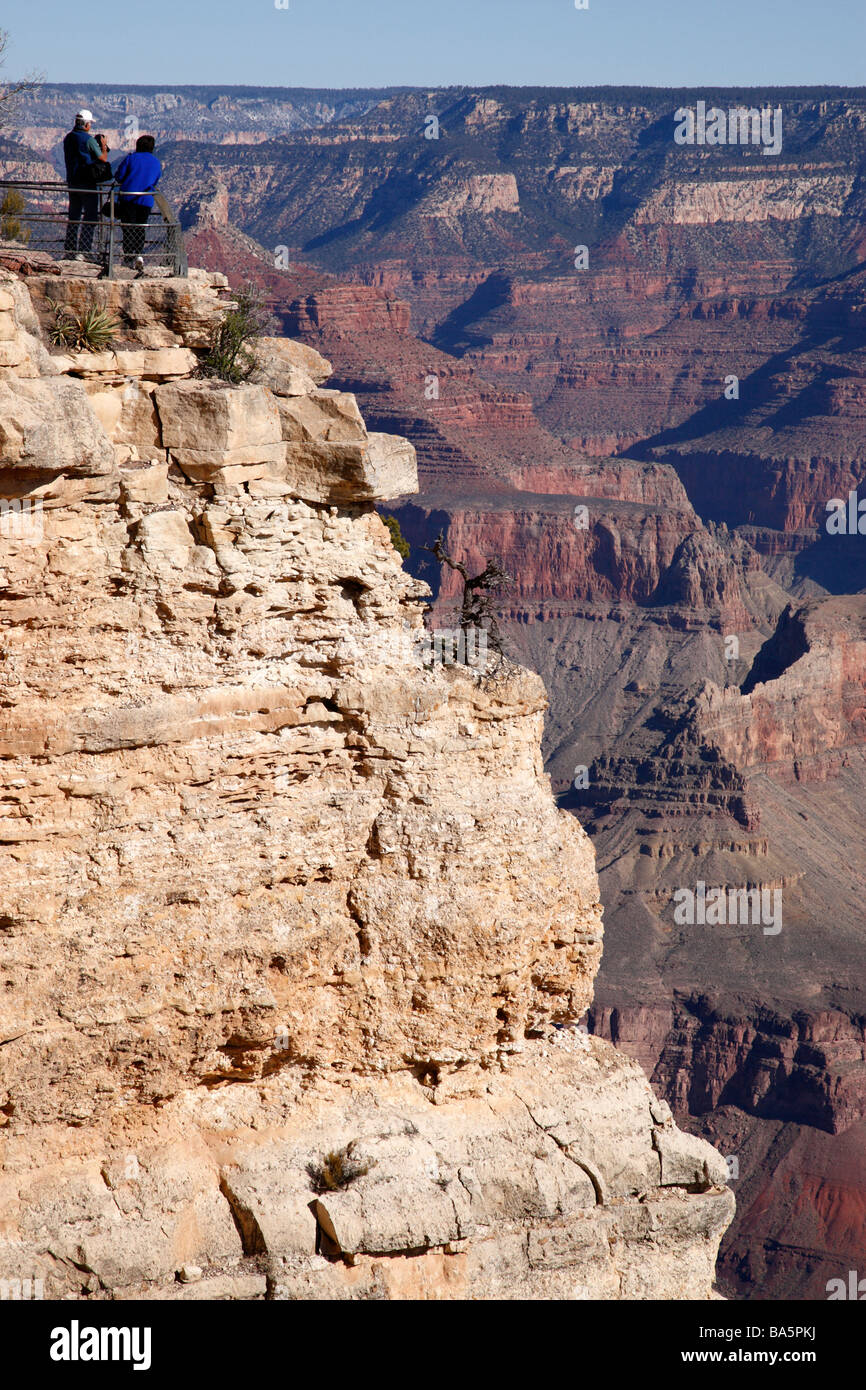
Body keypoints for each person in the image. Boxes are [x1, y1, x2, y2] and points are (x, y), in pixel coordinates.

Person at [62, 110, 109, 260]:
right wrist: (103, 145)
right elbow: (102, 158)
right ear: (87, 124)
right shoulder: (88, 140)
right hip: (87, 183)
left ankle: (70, 250)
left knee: (74, 216)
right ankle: (84, 251)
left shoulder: (68, 138)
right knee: (90, 216)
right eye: (90, 124)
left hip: (72, 182)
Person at [112, 135, 162, 266]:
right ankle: (139, 254)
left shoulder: (131, 158)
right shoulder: (157, 162)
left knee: (128, 227)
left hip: (128, 198)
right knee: (140, 227)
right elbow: (155, 180)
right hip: (146, 199)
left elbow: (119, 176)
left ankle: (128, 257)